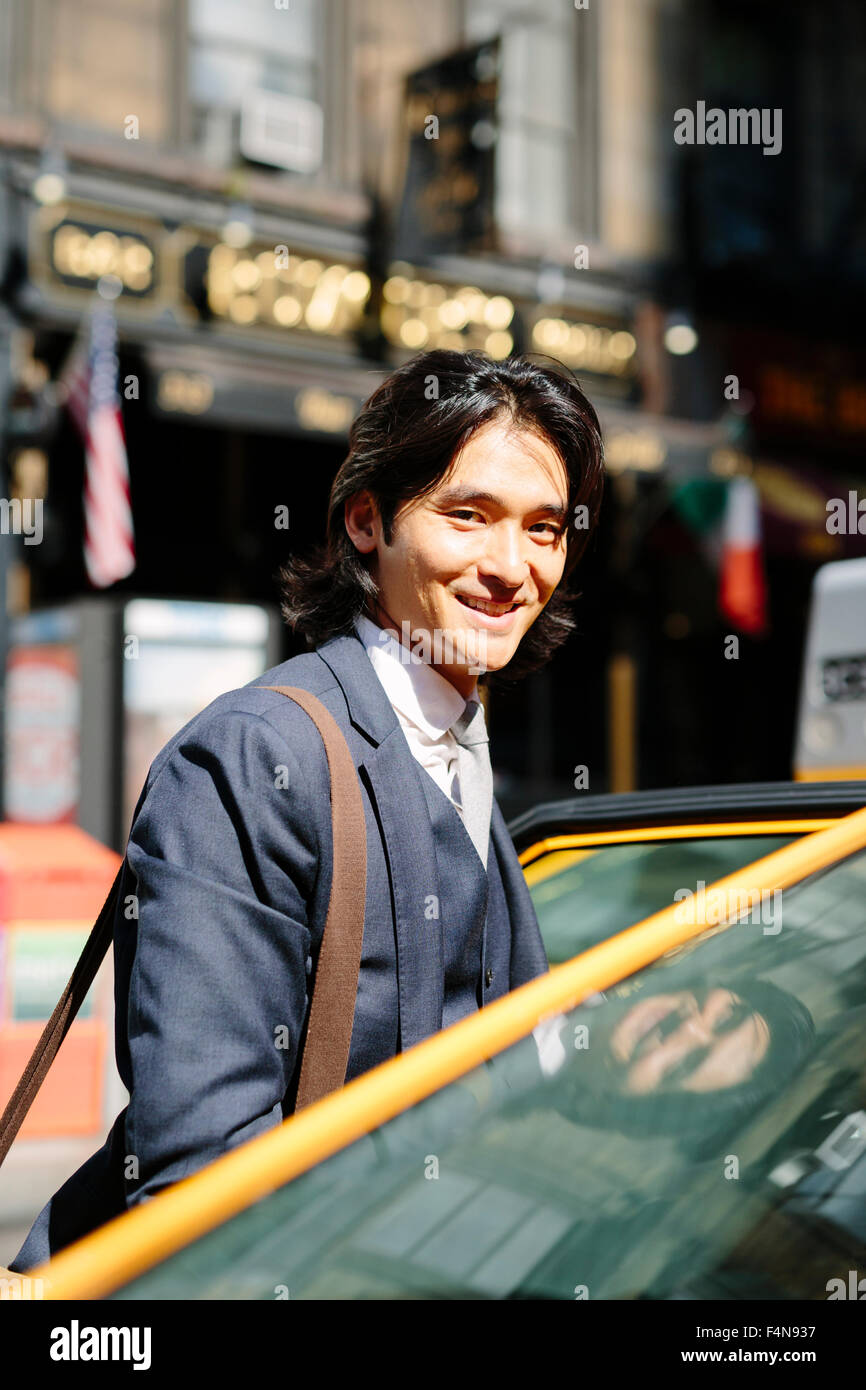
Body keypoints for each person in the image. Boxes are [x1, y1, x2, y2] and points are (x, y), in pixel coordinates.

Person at [9, 347, 604, 1271]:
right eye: (468, 516)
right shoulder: (255, 757)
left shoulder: (461, 753)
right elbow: (201, 1170)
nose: (510, 566)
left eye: (544, 528)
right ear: (366, 522)